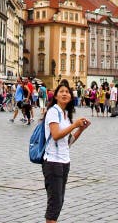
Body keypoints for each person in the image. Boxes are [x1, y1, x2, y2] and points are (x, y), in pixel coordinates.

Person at [41, 81, 90, 223]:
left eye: (67, 92)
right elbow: (56, 135)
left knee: (59, 201)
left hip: (64, 161)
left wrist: (80, 129)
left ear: (70, 97)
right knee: (54, 204)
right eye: (61, 91)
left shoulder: (65, 115)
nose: (64, 94)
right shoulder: (53, 112)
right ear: (55, 96)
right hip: (52, 162)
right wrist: (74, 125)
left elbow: (68, 142)